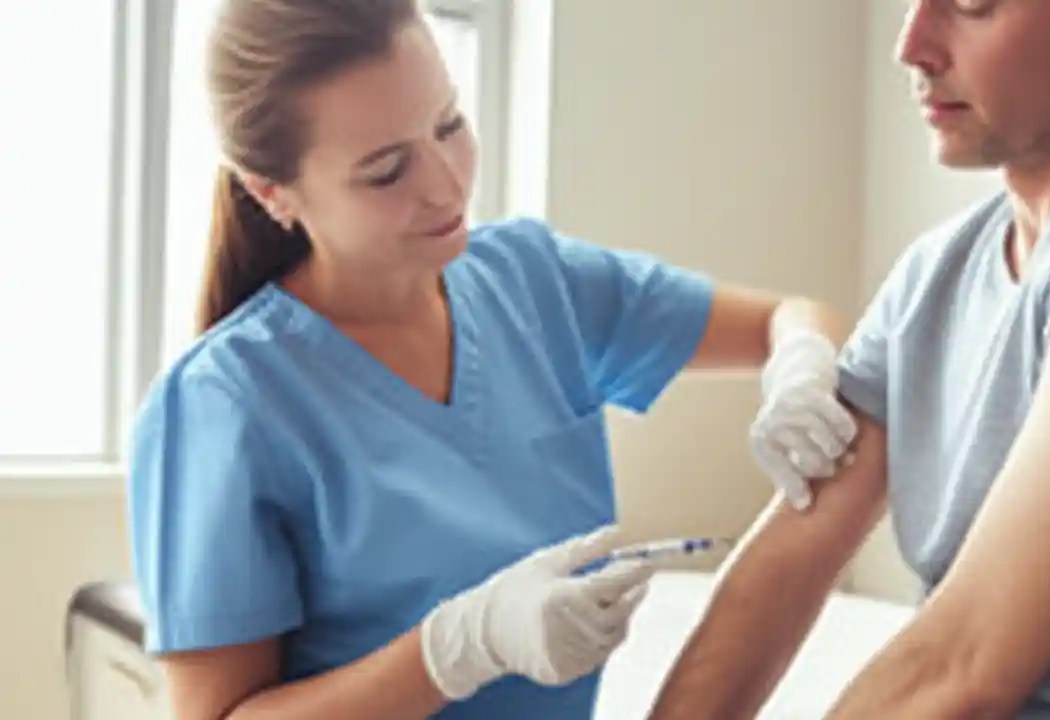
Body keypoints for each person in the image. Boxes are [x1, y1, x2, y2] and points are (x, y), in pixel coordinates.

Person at [125, 1, 859, 718]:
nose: (445, 184)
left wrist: (801, 366)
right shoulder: (222, 405)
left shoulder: (534, 282)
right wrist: (458, 649)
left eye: (450, 124)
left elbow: (790, 316)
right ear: (271, 192)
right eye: (386, 171)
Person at [649, 0, 1050, 717]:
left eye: (970, 5)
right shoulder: (938, 275)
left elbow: (965, 661)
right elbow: (779, 572)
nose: (912, 47)